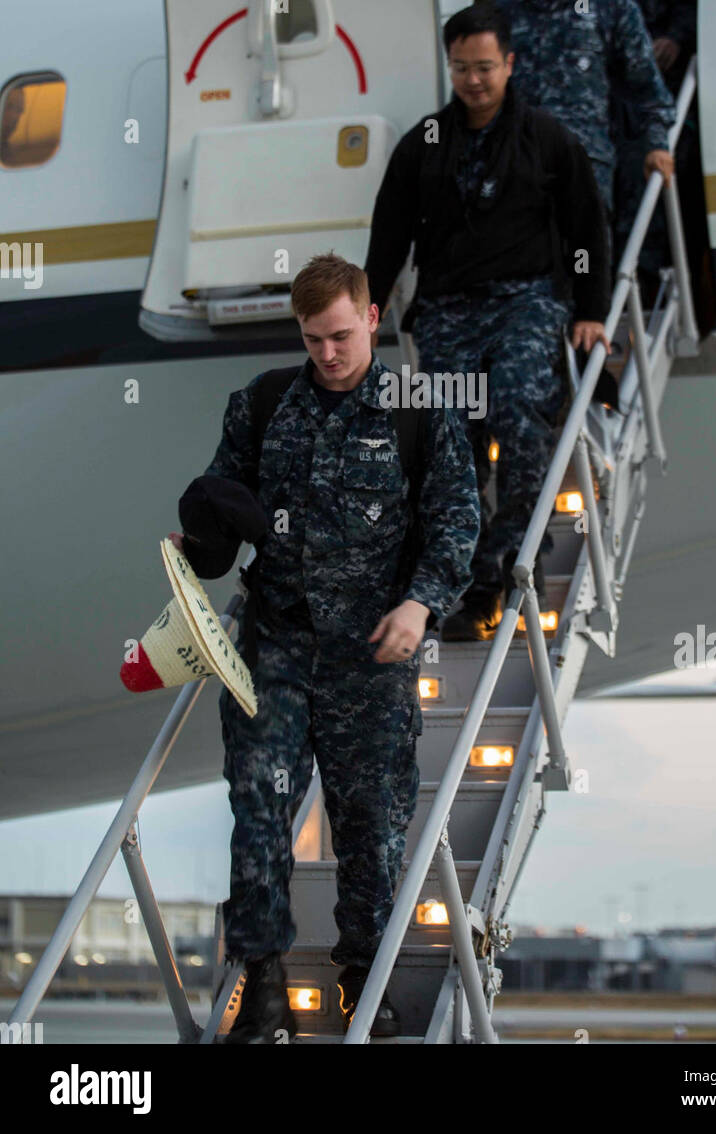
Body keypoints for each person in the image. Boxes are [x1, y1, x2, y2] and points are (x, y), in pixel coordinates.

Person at [170, 253, 479, 1041]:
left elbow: (455, 526)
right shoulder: (265, 404)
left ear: (372, 317)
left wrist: (421, 602)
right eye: (313, 341)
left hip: (370, 659)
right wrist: (195, 543)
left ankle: (361, 984)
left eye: (340, 336)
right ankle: (264, 988)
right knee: (259, 807)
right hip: (274, 646)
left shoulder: (420, 408)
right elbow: (219, 507)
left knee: (370, 825)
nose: (329, 355)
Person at [364, 2, 611, 641]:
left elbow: (587, 227)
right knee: (454, 446)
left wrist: (590, 310)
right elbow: (389, 233)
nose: (473, 81)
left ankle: (501, 561)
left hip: (527, 301)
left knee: (520, 409)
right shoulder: (425, 143)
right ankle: (469, 580)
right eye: (461, 68)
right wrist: (369, 306)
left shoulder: (548, 137)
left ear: (509, 64)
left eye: (484, 67)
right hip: (448, 309)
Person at [495, 0, 675, 287]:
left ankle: (595, 334)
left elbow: (648, 89)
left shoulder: (612, 9)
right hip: (519, 167)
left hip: (586, 165)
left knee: (585, 267)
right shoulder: (502, 18)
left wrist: (656, 144)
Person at [567, 0, 698, 283]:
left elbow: (693, 1)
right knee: (606, 199)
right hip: (601, 102)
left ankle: (664, 278)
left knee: (665, 185)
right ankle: (620, 288)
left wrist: (675, 39)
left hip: (660, 91)